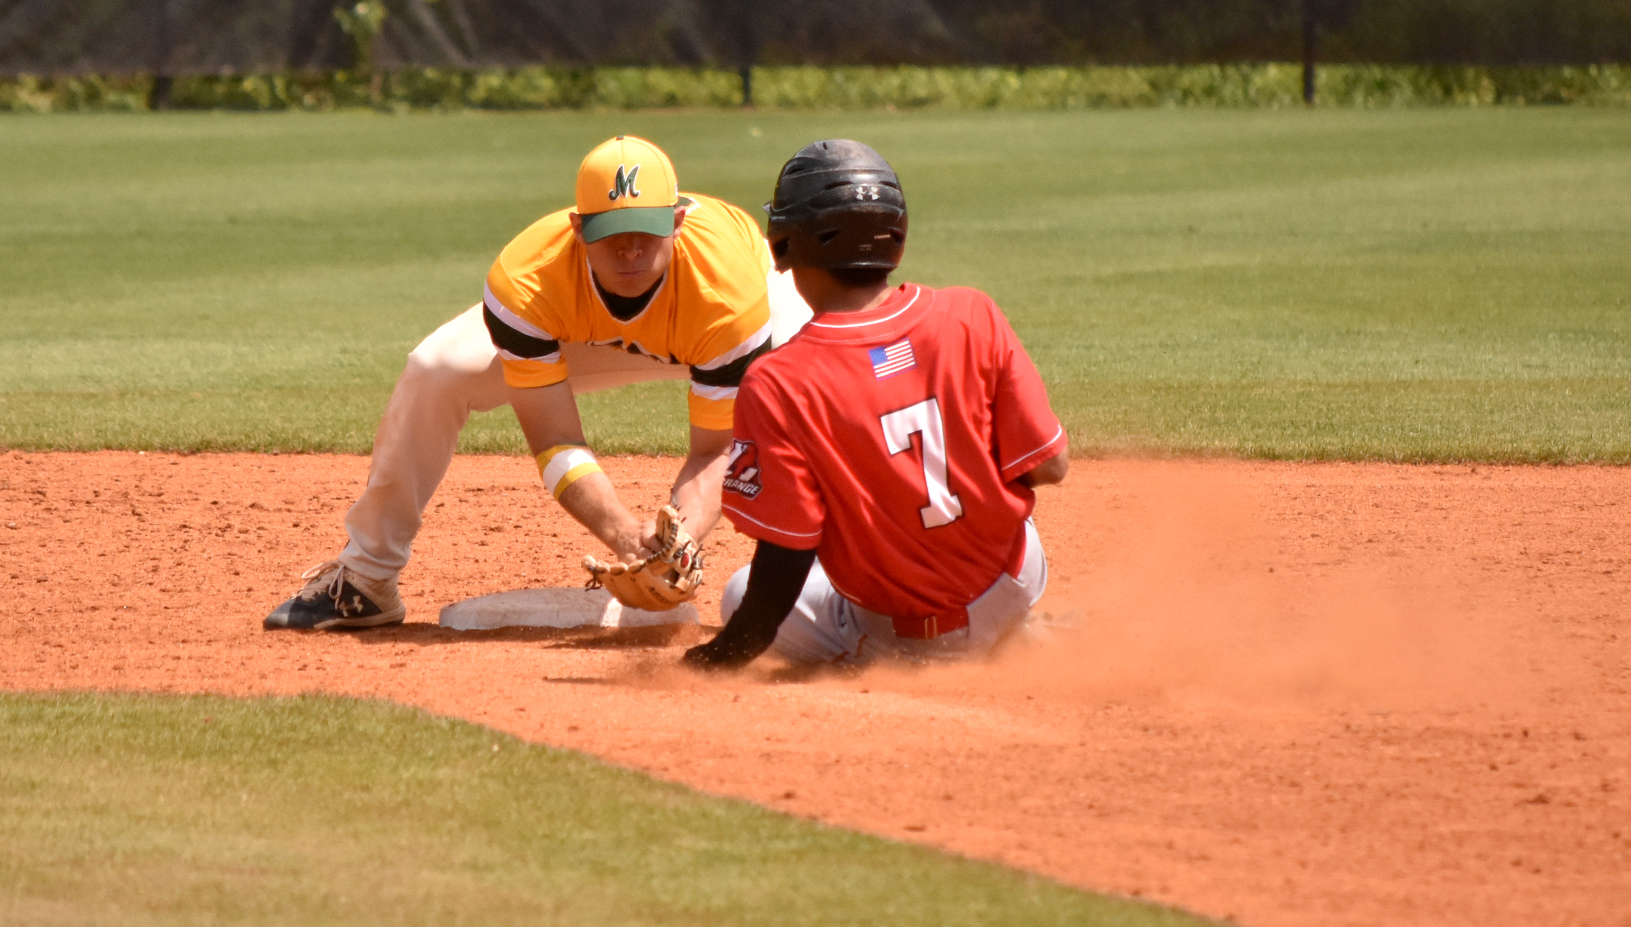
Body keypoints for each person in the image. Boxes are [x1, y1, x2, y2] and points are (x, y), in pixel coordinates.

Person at [266, 135, 812, 630]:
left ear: (676, 221)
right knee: (438, 369)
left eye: (645, 231)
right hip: (583, 326)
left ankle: (826, 588)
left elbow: (717, 452)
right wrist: (625, 536)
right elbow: (556, 440)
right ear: (577, 229)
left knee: (808, 379)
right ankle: (365, 579)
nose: (629, 250)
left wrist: (680, 542)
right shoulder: (528, 281)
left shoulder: (729, 294)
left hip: (722, 317)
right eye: (610, 233)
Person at [683, 140, 1068, 669]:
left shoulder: (779, 381)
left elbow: (785, 558)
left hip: (908, 634)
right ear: (896, 234)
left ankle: (915, 652)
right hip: (1012, 580)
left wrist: (721, 657)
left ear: (784, 244)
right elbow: (1049, 464)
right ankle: (1012, 629)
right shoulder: (971, 313)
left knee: (739, 591)